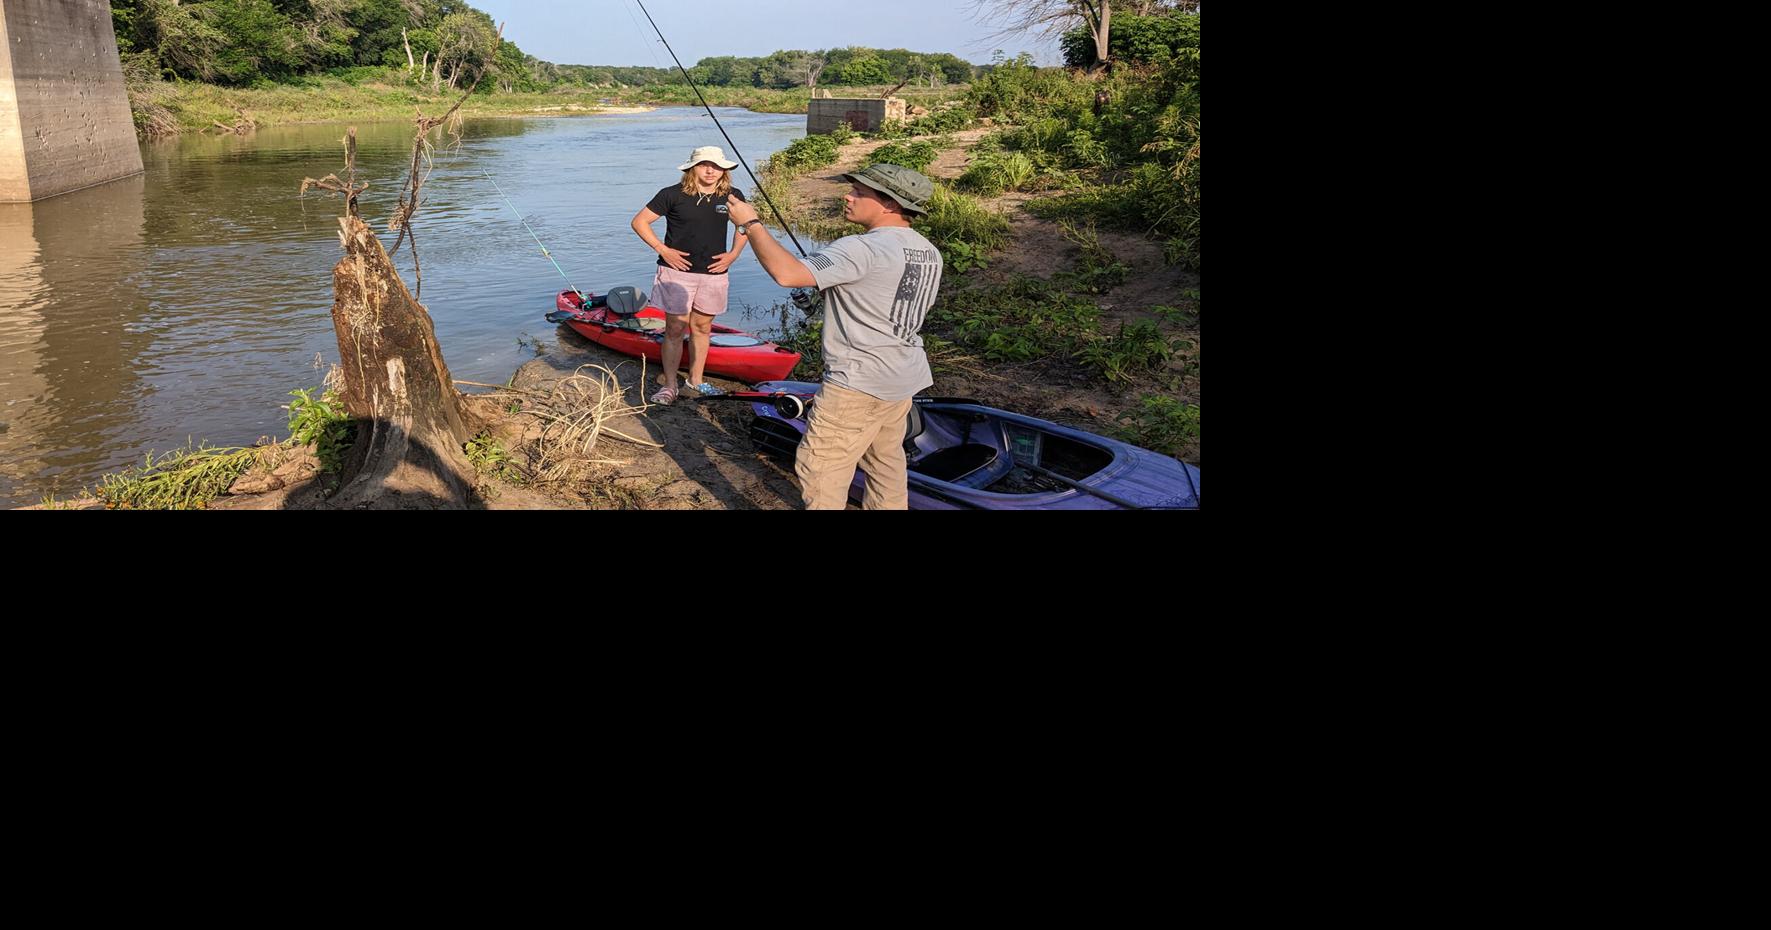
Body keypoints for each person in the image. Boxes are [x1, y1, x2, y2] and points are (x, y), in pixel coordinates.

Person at [724, 163, 942, 509]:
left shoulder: (860, 248)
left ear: (890, 204)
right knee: (886, 466)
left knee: (821, 469)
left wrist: (750, 224)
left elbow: (787, 273)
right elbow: (881, 297)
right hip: (901, 378)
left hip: (856, 384)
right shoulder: (929, 252)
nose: (847, 195)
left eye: (859, 192)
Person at [630, 145, 750, 405]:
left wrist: (733, 254)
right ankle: (670, 385)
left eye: (716, 166)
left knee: (702, 327)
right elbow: (639, 222)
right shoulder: (671, 194)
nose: (710, 170)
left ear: (724, 170)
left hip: (714, 273)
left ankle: (696, 381)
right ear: (691, 168)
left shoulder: (733, 196)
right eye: (704, 165)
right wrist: (663, 249)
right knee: (674, 328)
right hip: (676, 272)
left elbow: (745, 226)